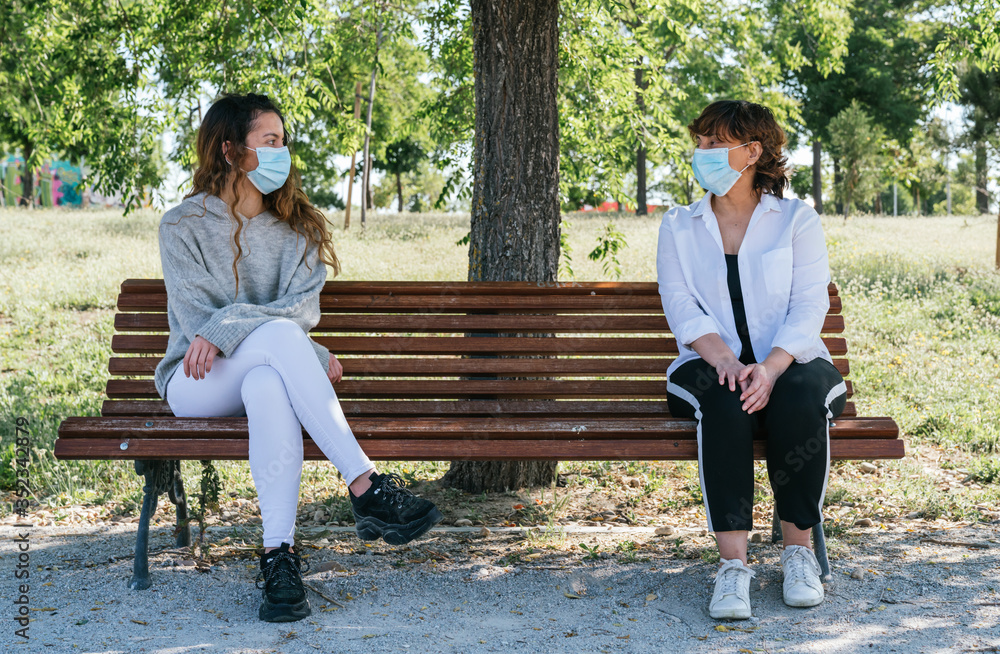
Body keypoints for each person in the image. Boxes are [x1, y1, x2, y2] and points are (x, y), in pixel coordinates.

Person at [154, 93, 443, 623]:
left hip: (262, 372)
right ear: (229, 151)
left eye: (283, 142)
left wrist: (280, 339)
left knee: (268, 379)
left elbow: (300, 310)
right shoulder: (181, 226)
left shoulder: (297, 228)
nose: (281, 152)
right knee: (285, 342)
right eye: (269, 141)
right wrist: (304, 350)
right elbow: (200, 327)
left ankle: (279, 559)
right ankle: (364, 483)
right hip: (196, 380)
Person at [656, 100, 846, 620]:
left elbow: (810, 302)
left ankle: (798, 553)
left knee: (801, 396)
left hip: (791, 358)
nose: (702, 154)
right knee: (724, 399)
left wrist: (770, 367)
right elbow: (681, 304)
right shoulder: (678, 225)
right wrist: (728, 363)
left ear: (752, 151)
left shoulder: (795, 220)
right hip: (707, 362)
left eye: (715, 144)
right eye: (699, 143)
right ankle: (733, 568)